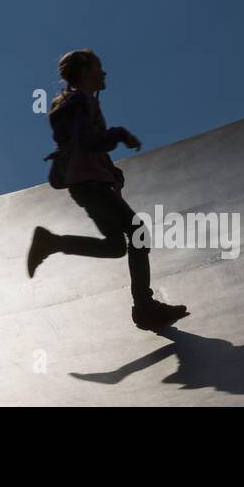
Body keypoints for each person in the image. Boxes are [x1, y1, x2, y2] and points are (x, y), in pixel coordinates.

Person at [27, 49, 188, 331]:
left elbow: (85, 147)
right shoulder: (80, 101)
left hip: (88, 184)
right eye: (99, 67)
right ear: (87, 71)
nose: (104, 73)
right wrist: (120, 134)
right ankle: (145, 307)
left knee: (115, 247)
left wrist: (112, 172)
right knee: (137, 232)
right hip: (89, 184)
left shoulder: (78, 103)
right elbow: (89, 141)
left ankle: (52, 242)